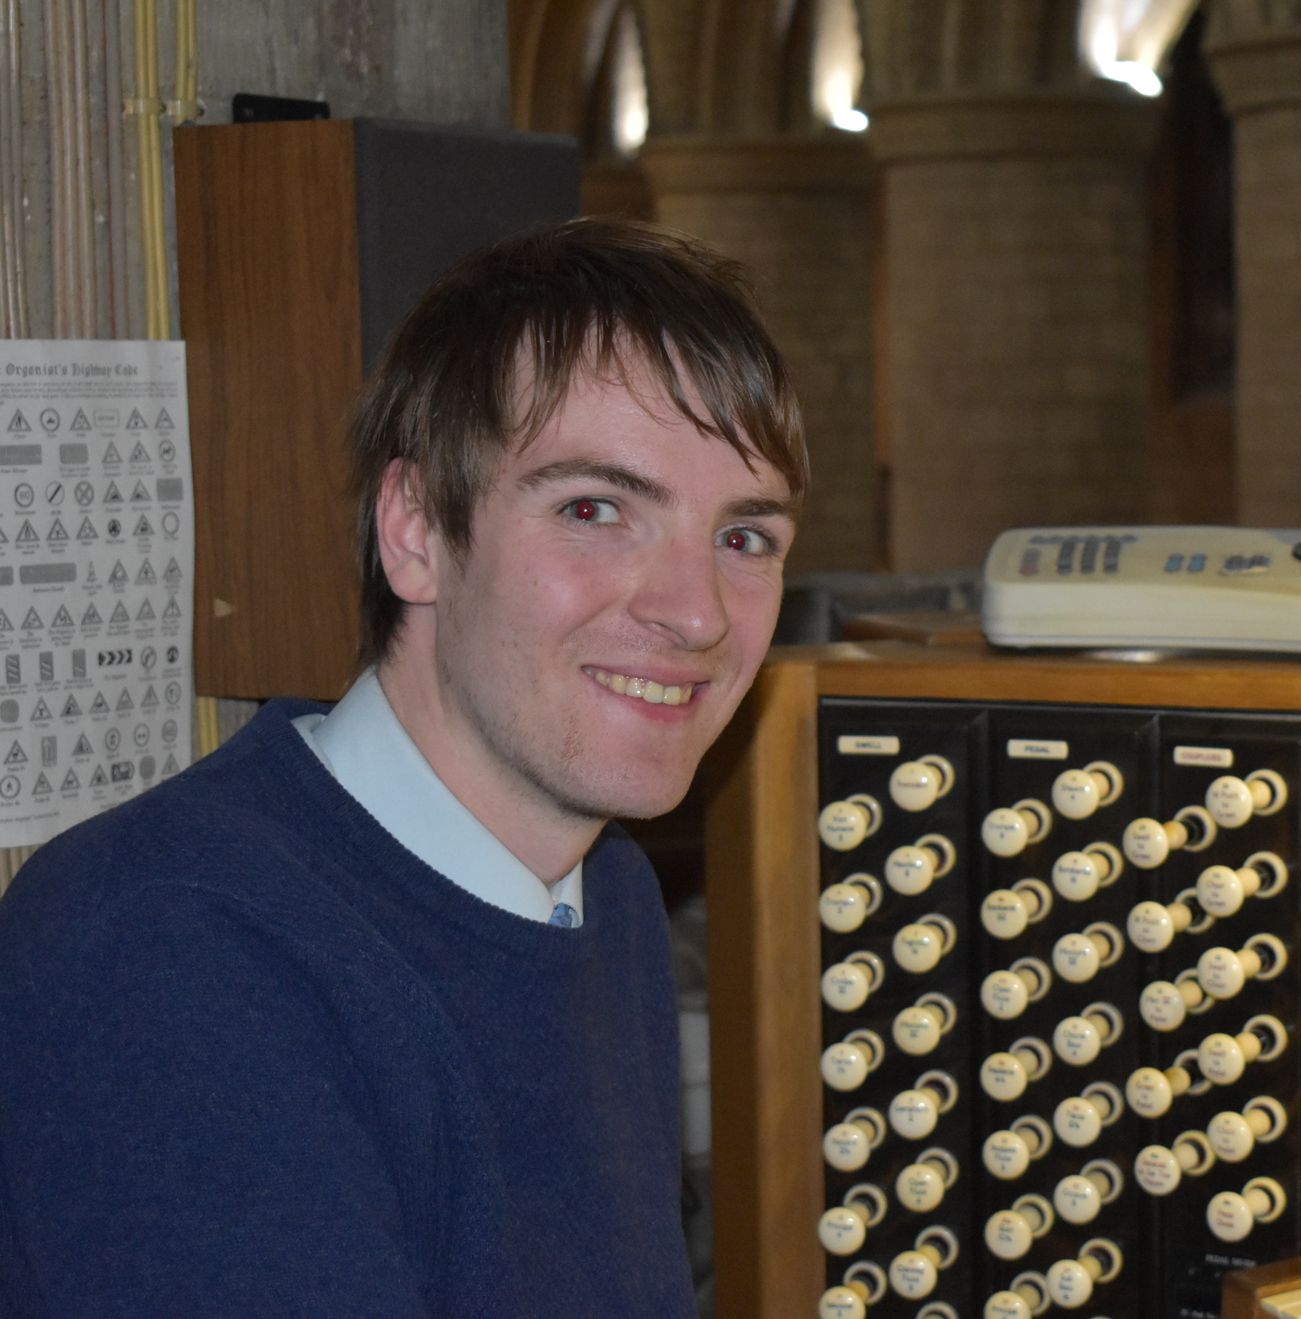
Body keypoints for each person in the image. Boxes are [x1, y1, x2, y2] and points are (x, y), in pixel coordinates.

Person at [0, 218, 806, 1316]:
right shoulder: (167, 945)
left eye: (745, 537)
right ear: (416, 531)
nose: (698, 611)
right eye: (595, 510)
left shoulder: (604, 894)